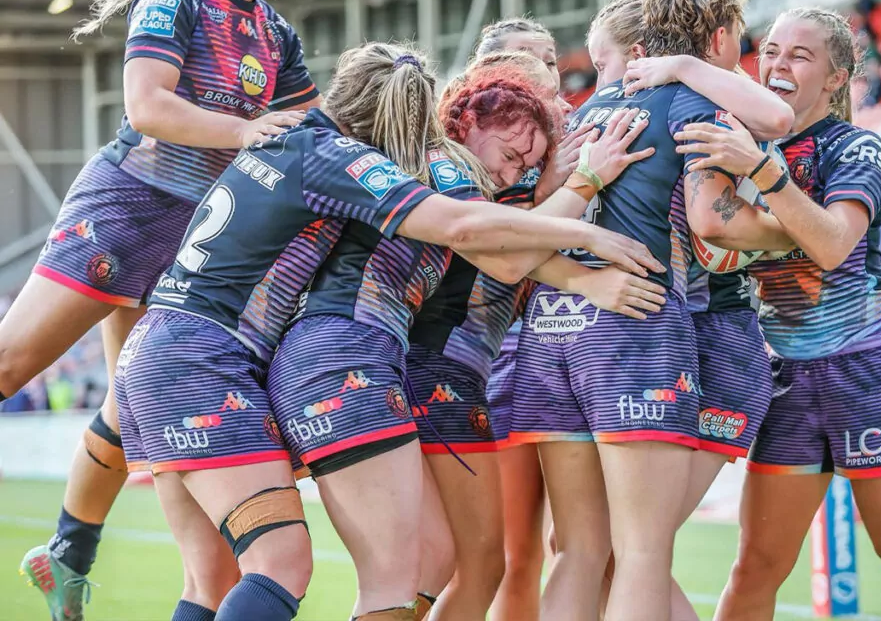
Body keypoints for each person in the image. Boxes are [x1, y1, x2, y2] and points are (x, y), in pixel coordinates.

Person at [115, 41, 663, 621]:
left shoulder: (300, 144)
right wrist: (586, 206)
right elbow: (482, 239)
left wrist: (551, 193)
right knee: (299, 567)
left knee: (225, 579)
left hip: (176, 351)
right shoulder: (352, 155)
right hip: (256, 356)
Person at [9, 0, 317, 621]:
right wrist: (245, 131)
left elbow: (314, 135)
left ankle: (68, 555)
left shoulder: (278, 34)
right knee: (12, 361)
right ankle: (70, 551)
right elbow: (148, 106)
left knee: (135, 408)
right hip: (129, 205)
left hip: (199, 230)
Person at [508, 0, 794, 621]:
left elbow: (525, 235)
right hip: (639, 325)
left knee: (581, 550)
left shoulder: (587, 112)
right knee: (641, 553)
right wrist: (795, 236)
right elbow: (723, 201)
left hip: (554, 328)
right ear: (720, 38)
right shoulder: (690, 95)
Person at [673, 7, 881, 621]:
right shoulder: (737, 137)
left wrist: (760, 172)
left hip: (873, 370)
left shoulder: (855, 147)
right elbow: (716, 231)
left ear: (836, 79)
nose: (778, 65)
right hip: (783, 376)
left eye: (800, 56)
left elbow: (835, 245)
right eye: (773, 51)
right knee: (754, 568)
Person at [405, 64, 662, 619]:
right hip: (431, 367)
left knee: (466, 562)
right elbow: (509, 257)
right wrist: (582, 191)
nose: (512, 171)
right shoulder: (448, 168)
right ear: (467, 119)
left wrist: (557, 202)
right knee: (447, 564)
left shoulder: (483, 182)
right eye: (511, 154)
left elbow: (516, 253)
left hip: (450, 371)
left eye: (526, 163)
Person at [470, 17, 574, 621]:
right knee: (512, 554)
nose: (544, 75)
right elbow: (505, 255)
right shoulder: (470, 155)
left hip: (572, 350)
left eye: (551, 61)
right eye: (524, 63)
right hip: (490, 353)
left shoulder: (575, 134)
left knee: (580, 546)